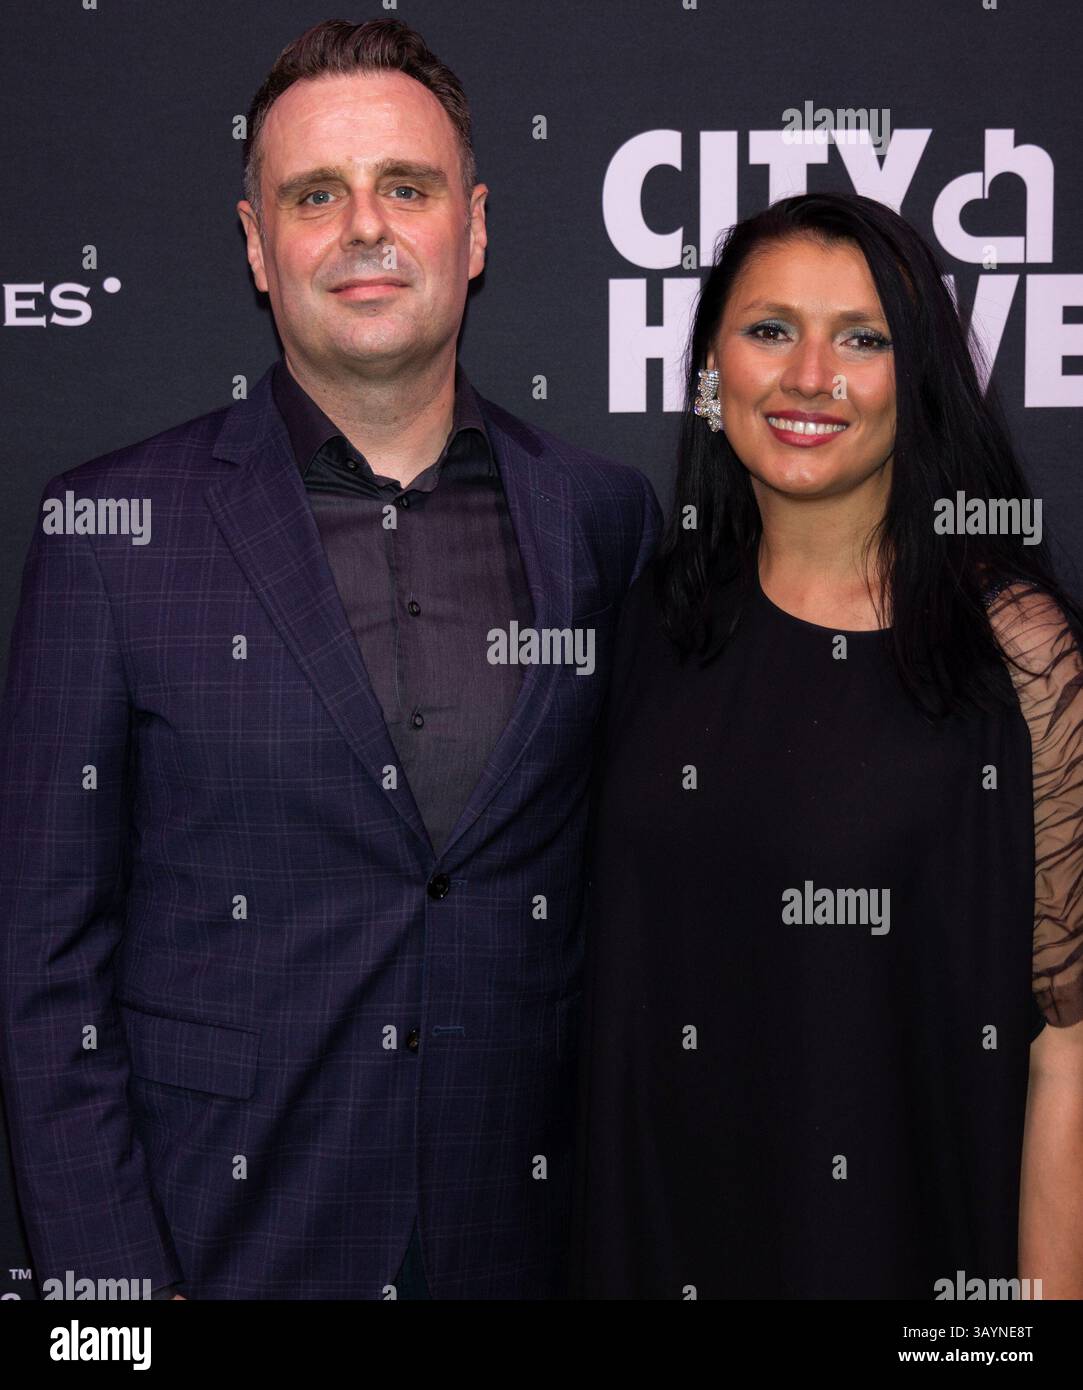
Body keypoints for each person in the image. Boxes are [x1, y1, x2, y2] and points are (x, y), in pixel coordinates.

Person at [0, 18, 659, 1300]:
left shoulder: (603, 518)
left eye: (404, 188)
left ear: (473, 229)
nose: (366, 227)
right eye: (317, 194)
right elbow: (43, 970)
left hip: (522, 1256)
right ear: (258, 244)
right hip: (218, 1256)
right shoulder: (106, 535)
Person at [571, 192, 1083, 1299]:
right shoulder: (651, 622)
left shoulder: (1019, 657)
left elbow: (1070, 1050)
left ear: (925, 376)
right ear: (712, 369)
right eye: (769, 331)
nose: (811, 376)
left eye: (863, 337)